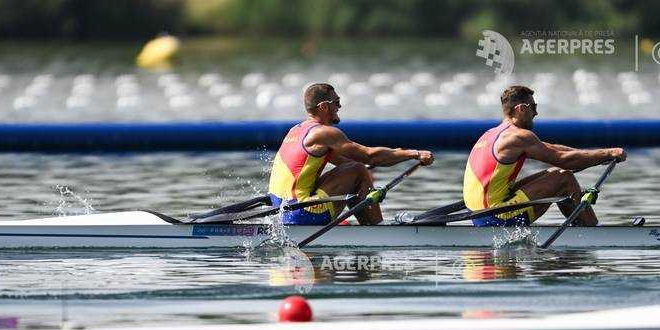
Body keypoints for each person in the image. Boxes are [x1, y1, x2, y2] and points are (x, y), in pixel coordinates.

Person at [267, 83, 434, 225]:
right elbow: (369, 156)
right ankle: (378, 230)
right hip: (300, 213)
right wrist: (415, 154)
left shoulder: (296, 130)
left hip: (283, 212)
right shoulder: (324, 133)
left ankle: (370, 226)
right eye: (337, 102)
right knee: (358, 170)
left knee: (358, 170)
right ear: (323, 107)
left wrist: (382, 163)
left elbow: (349, 162)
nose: (339, 107)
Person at [462, 85, 625, 226]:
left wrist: (601, 155)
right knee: (564, 177)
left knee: (555, 172)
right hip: (495, 217)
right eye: (533, 106)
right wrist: (607, 153)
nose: (536, 112)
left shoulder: (491, 134)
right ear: (521, 109)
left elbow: (553, 149)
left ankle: (583, 225)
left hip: (480, 215)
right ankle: (594, 231)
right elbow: (566, 161)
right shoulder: (518, 137)